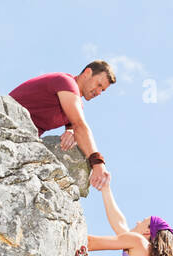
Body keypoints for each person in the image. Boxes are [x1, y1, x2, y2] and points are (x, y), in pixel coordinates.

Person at [9, 61, 116, 189]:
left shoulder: (76, 103)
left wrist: (71, 130)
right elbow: (79, 125)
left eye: (102, 90)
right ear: (87, 73)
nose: (99, 92)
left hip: (21, 142)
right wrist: (98, 163)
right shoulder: (65, 82)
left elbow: (75, 124)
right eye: (99, 84)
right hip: (6, 120)